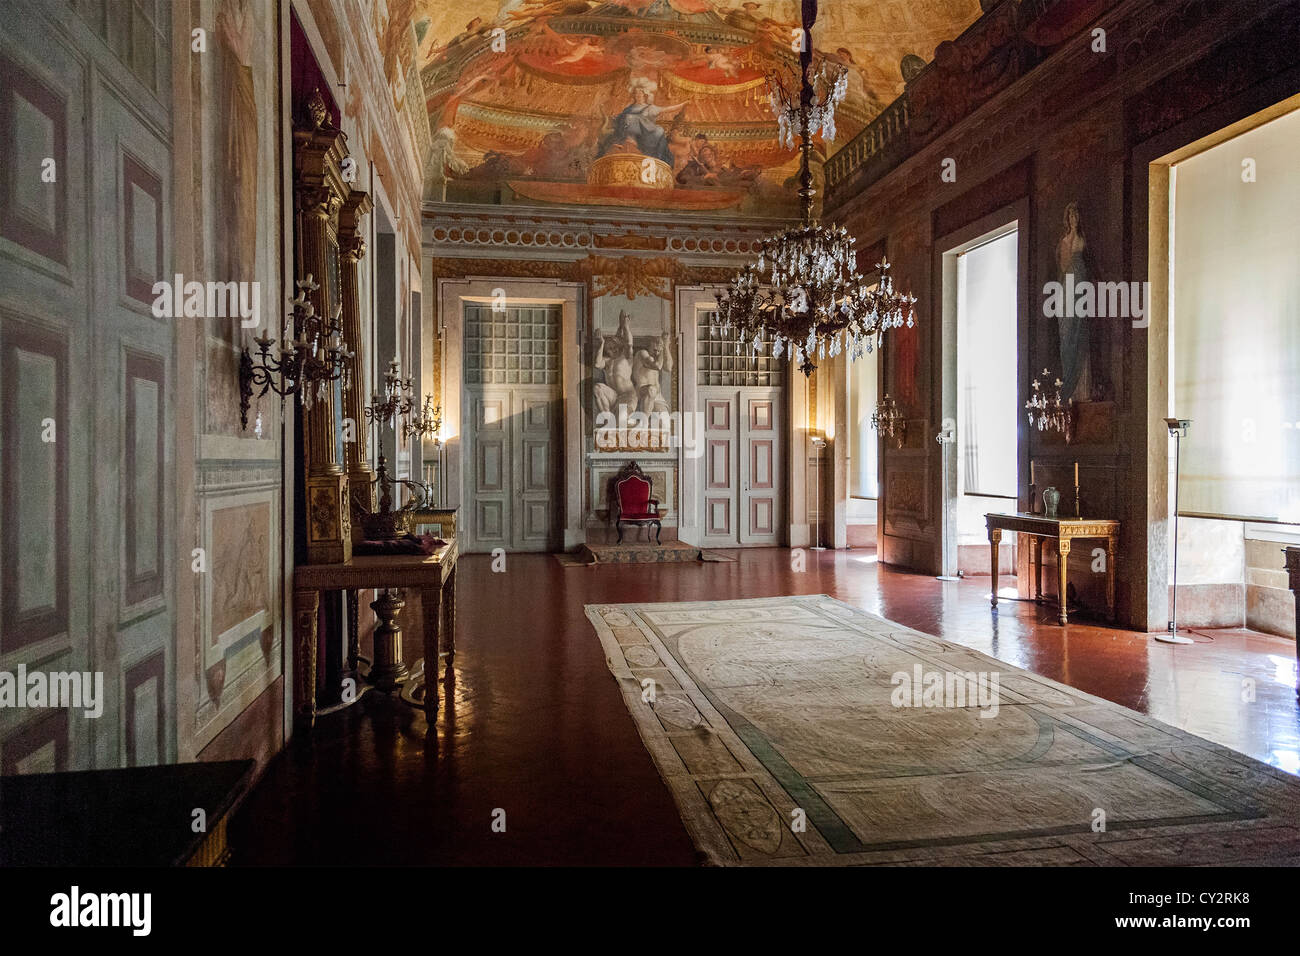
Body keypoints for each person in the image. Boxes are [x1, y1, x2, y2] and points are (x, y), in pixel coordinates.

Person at [598, 78, 687, 165]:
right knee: (625, 120)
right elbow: (620, 118)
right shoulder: (629, 108)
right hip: (627, 133)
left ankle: (633, 141)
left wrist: (683, 104)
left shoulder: (650, 108)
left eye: (640, 93)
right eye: (636, 93)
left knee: (657, 129)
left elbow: (667, 109)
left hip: (646, 133)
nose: (638, 95)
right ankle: (625, 140)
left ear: (644, 94)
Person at [594, 312, 637, 415]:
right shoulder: (607, 361)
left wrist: (626, 327)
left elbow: (629, 343)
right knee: (597, 388)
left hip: (627, 396)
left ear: (619, 347)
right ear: (606, 350)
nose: (613, 350)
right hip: (614, 397)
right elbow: (597, 364)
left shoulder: (626, 357)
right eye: (610, 348)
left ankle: (625, 419)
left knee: (621, 420)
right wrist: (601, 343)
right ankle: (608, 420)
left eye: (615, 347)